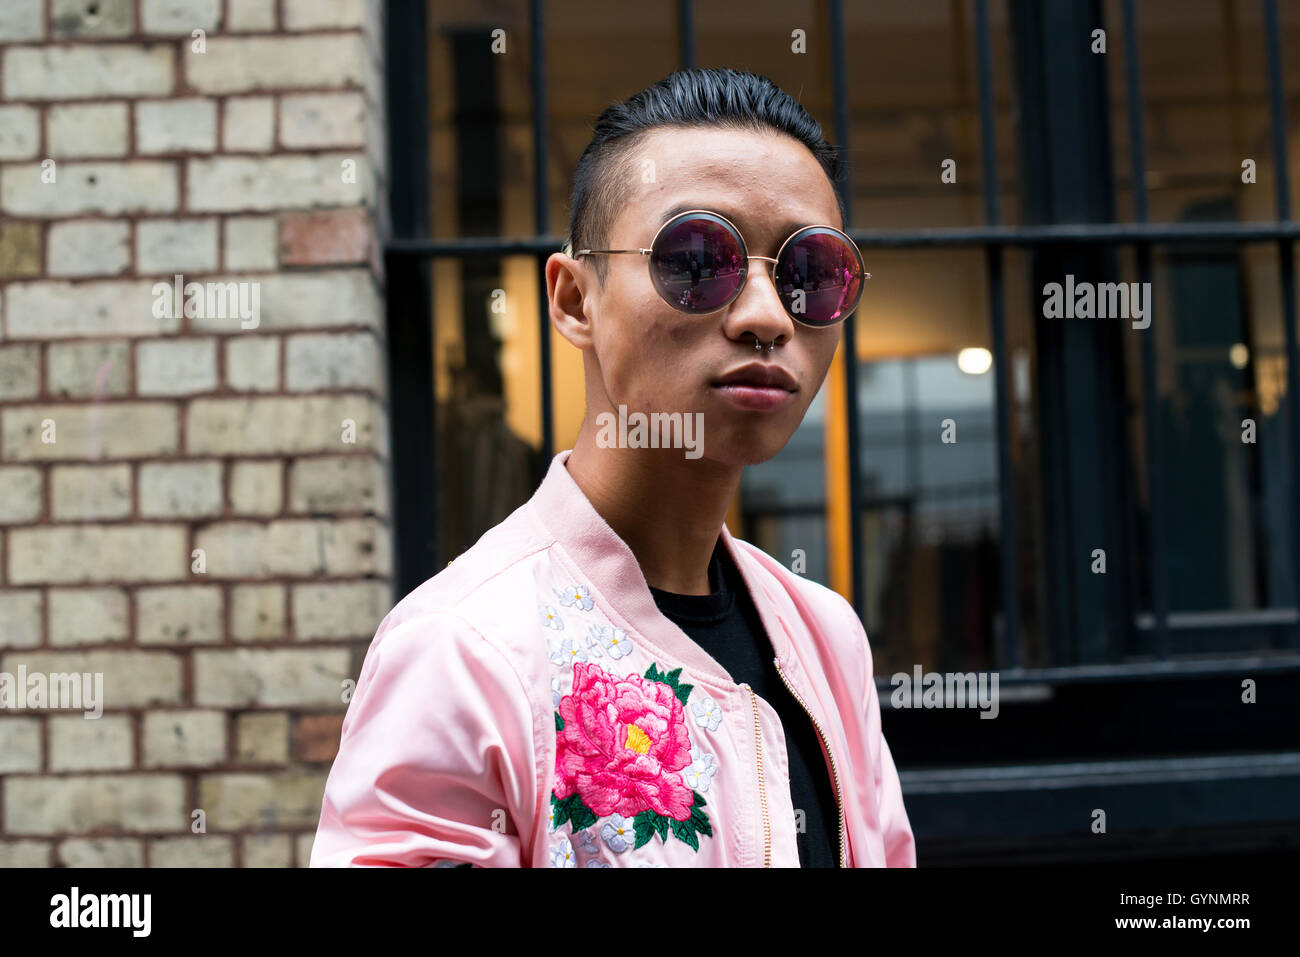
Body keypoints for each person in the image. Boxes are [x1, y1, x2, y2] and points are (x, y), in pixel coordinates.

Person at [310, 67, 915, 868]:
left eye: (811, 272)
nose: (768, 315)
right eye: (698, 259)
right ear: (572, 300)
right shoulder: (465, 651)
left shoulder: (824, 638)